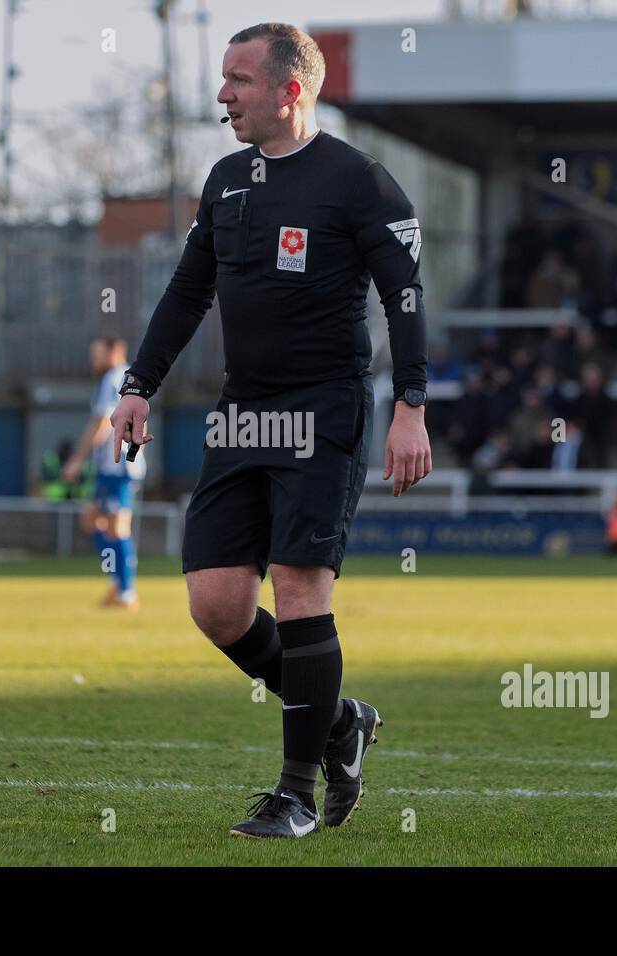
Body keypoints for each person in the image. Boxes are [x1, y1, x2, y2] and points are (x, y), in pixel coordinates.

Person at [108, 23, 430, 839]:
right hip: (244, 411)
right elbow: (187, 292)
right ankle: (341, 723)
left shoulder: (360, 183)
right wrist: (139, 385)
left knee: (296, 588)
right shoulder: (224, 182)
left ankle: (295, 792)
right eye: (223, 80)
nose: (223, 95)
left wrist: (411, 406)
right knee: (216, 605)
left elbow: (406, 299)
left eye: (239, 80)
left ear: (292, 89)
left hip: (324, 406)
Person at [63, 338, 146, 609]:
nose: (93, 359)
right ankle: (118, 584)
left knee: (117, 526)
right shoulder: (125, 376)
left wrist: (77, 459)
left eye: (96, 353)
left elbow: (102, 422)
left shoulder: (114, 378)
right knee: (91, 520)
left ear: (113, 352)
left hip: (119, 464)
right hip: (110, 466)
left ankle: (127, 592)